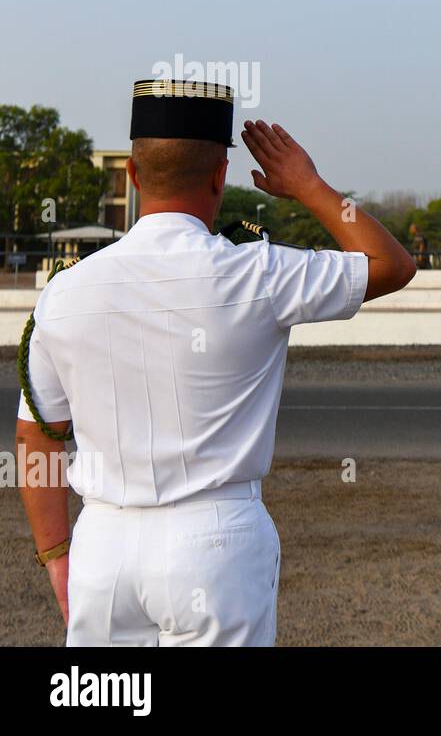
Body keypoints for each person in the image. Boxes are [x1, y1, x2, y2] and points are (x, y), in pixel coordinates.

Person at [15, 79, 416, 646]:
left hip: (102, 546)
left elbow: (38, 438)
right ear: (218, 178)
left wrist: (58, 555)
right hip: (214, 544)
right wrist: (307, 185)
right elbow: (391, 264)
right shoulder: (260, 274)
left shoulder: (64, 293)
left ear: (132, 177)